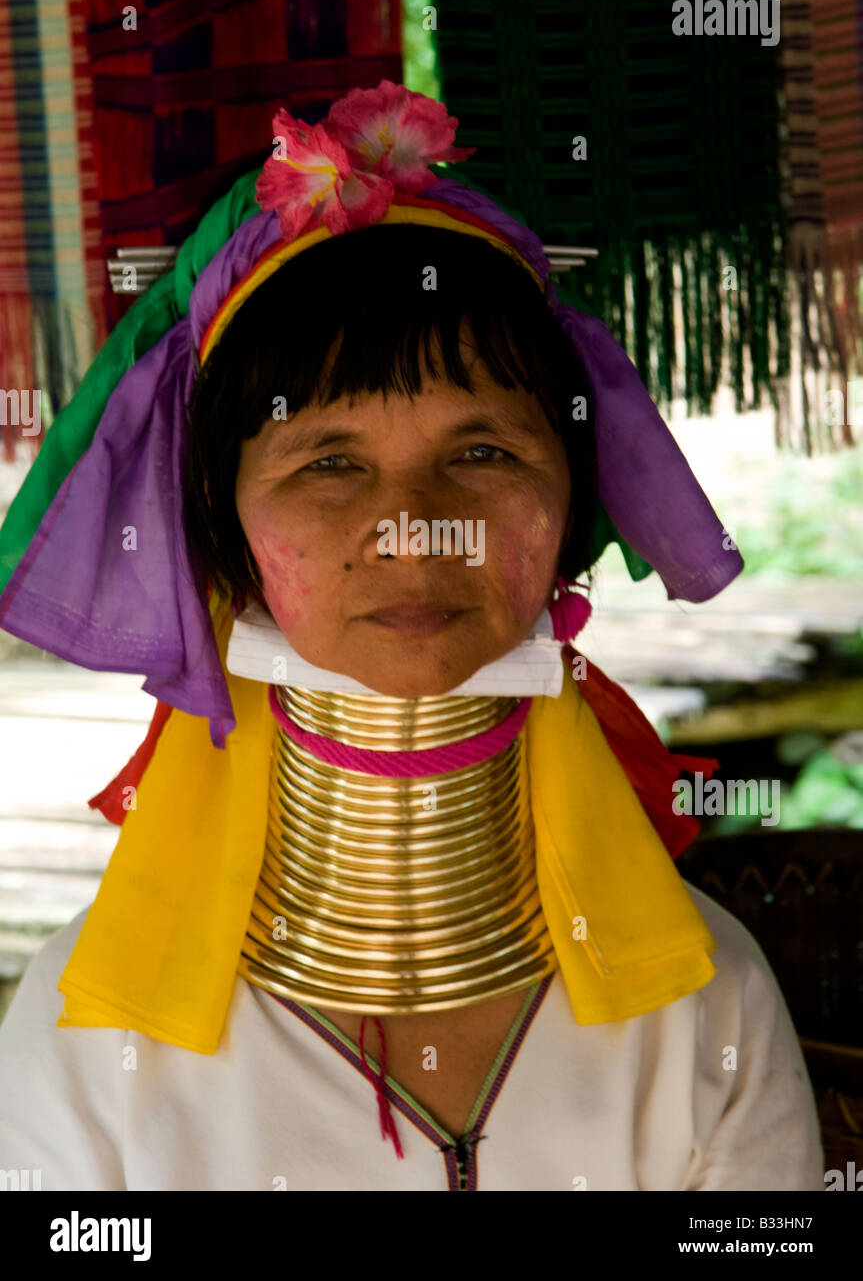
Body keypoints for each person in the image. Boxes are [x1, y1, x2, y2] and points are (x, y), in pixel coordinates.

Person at [0, 80, 824, 1191]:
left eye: (481, 451)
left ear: (569, 506)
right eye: (328, 462)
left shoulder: (704, 1006)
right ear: (222, 527)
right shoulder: (85, 1042)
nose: (411, 525)